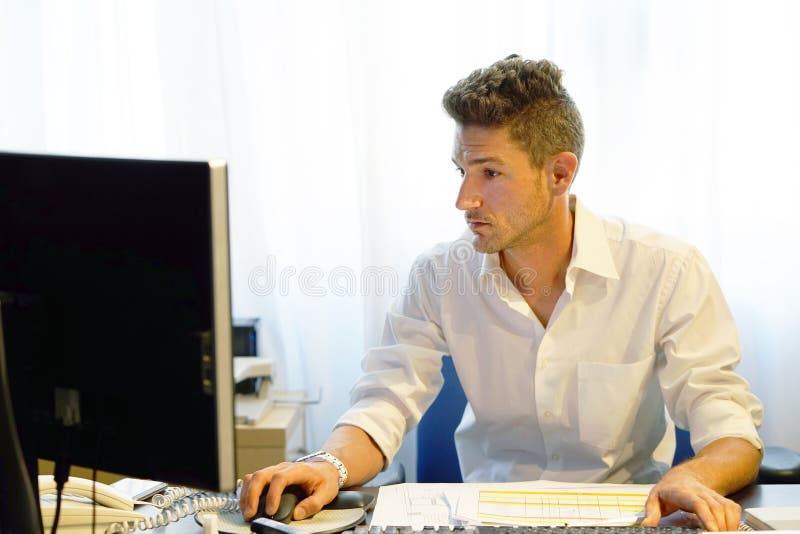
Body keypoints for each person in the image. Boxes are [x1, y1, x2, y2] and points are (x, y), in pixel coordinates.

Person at [240, 56, 763, 532]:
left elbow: (729, 424)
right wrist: (326, 464)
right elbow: (386, 398)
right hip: (483, 519)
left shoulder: (665, 270)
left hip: (627, 515)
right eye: (462, 171)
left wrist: (696, 476)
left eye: (490, 173)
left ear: (559, 172)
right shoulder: (439, 275)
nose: (464, 199)